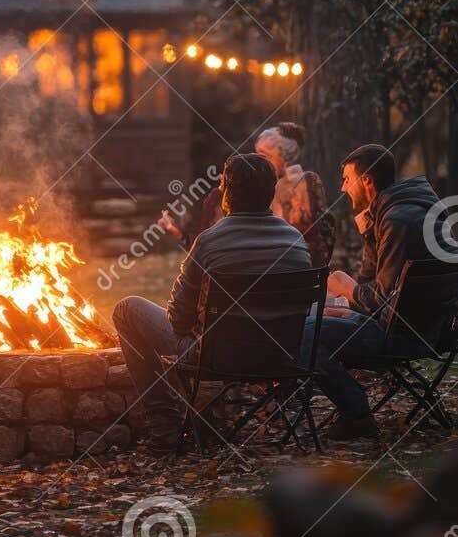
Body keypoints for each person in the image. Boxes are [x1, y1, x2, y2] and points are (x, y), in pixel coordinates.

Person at [113, 152, 310, 446]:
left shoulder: (210, 242)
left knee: (126, 309)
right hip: (282, 356)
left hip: (216, 357)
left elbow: (178, 319)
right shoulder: (295, 241)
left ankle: (164, 426)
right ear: (270, 192)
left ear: (227, 191)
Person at [309, 144, 443, 443]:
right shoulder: (405, 210)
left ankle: (356, 416)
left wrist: (346, 288)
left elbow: (381, 298)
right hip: (427, 327)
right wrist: (350, 308)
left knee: (306, 333)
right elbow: (381, 290)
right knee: (318, 318)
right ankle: (353, 412)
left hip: (403, 335)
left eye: (347, 179)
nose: (343, 188)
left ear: (367, 180)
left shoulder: (398, 222)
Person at [254, 121, 335, 267]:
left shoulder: (305, 183)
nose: (261, 162)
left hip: (298, 262)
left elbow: (315, 231)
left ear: (284, 156)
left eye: (265, 156)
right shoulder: (264, 184)